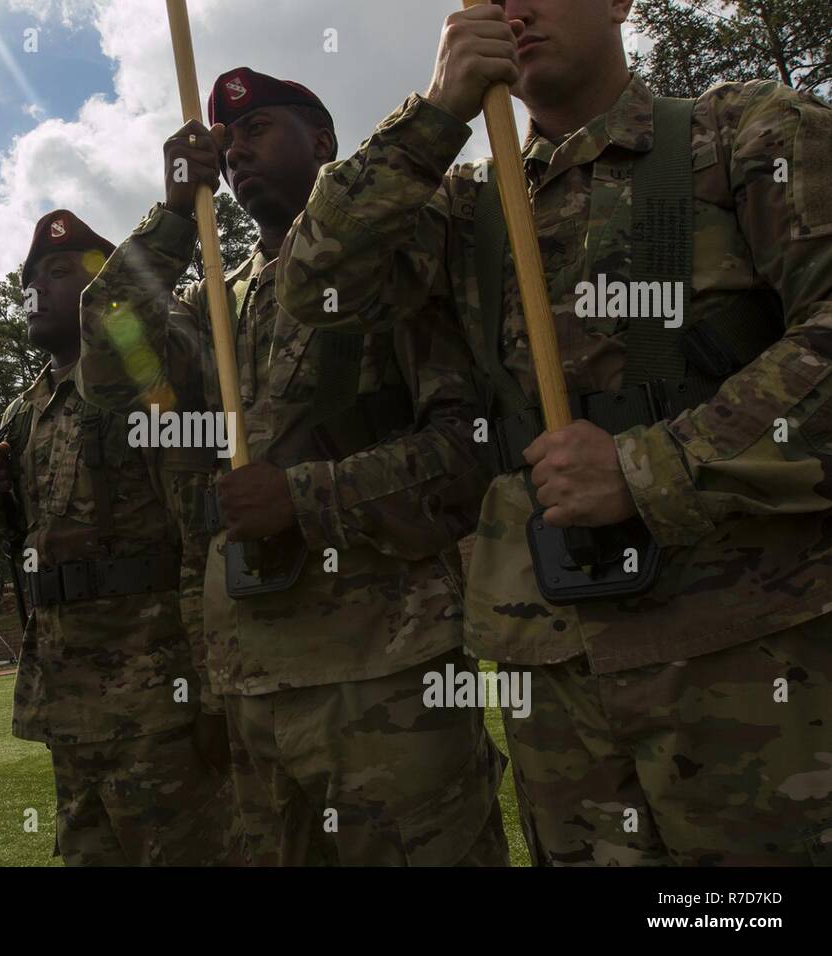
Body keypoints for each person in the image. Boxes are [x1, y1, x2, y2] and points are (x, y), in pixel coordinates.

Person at [276, 0, 832, 864]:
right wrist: (433, 116)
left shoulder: (742, 131)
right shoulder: (464, 209)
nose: (513, 11)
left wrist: (656, 466)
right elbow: (316, 289)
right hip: (550, 659)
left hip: (747, 644)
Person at [78, 69, 509, 866]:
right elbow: (108, 361)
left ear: (322, 144)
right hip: (252, 681)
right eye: (225, 140)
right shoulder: (220, 301)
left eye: (258, 129)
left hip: (384, 667)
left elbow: (467, 446)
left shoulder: (397, 260)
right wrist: (172, 218)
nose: (235, 148)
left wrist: (307, 497)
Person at [0, 211, 238, 866]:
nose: (36, 290)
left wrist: (210, 686)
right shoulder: (24, 411)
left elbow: (199, 525)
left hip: (155, 695)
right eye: (29, 280)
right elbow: (37, 542)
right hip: (69, 699)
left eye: (61, 274)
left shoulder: (146, 377)